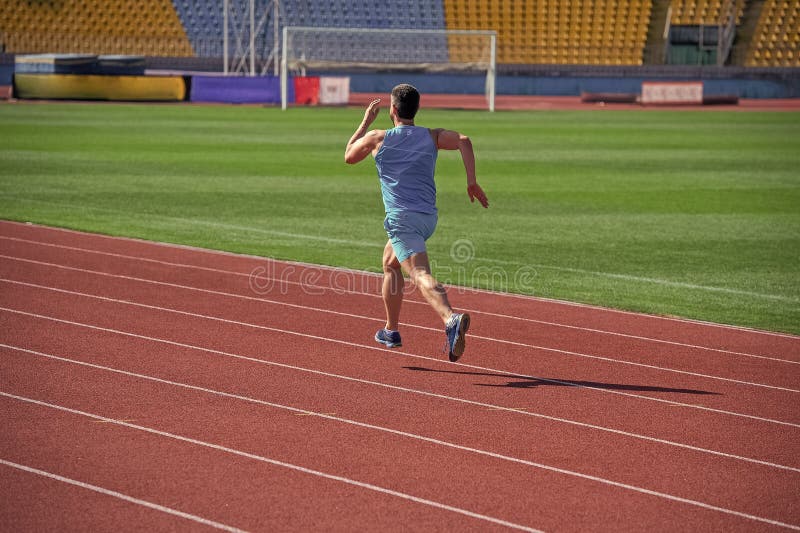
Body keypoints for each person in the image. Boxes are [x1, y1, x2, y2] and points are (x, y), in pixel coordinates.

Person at [344, 83, 489, 361]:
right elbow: (464, 140)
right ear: (416, 109)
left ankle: (450, 318)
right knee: (389, 263)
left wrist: (365, 121)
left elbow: (348, 156)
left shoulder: (378, 137)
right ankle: (391, 330)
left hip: (403, 219)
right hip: (427, 218)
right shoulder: (430, 136)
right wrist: (471, 181)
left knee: (419, 273)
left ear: (393, 109)